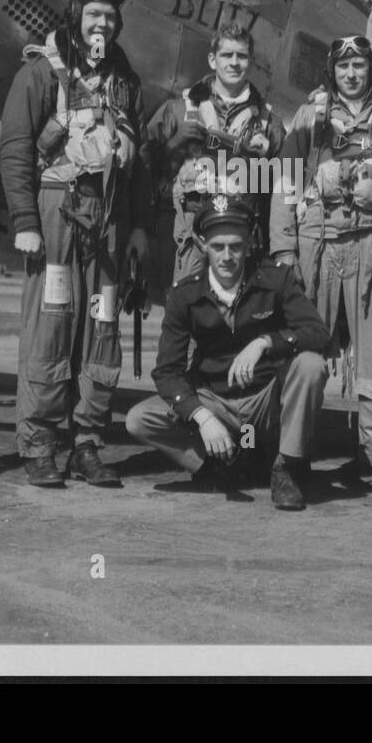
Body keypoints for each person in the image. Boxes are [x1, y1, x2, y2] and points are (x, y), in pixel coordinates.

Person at [0, 0, 151, 489]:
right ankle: (41, 443)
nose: (101, 25)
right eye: (93, 16)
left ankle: (87, 442)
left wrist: (138, 230)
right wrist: (25, 222)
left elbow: (140, 163)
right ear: (76, 18)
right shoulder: (42, 74)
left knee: (102, 327)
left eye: (109, 17)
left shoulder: (125, 82)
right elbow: (16, 147)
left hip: (109, 220)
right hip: (57, 213)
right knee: (52, 324)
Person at [269, 34, 372, 492]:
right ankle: (292, 460)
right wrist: (285, 249)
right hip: (319, 245)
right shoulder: (309, 119)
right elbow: (286, 183)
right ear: (333, 71)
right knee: (306, 350)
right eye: (344, 66)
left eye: (360, 66)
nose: (352, 74)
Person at [126, 195, 331, 511]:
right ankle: (214, 467)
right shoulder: (185, 295)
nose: (226, 256)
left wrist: (266, 342)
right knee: (140, 419)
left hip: (266, 400)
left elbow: (318, 334)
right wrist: (202, 416)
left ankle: (286, 467)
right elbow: (167, 372)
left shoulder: (276, 279)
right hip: (215, 398)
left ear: (249, 243)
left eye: (235, 246)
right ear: (202, 243)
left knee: (310, 365)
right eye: (217, 247)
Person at [146, 22, 285, 285]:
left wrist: (264, 164)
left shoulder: (269, 123)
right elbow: (144, 168)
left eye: (242, 56)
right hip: (188, 243)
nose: (234, 63)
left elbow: (289, 187)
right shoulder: (177, 110)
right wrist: (174, 144)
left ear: (250, 62)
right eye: (226, 55)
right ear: (213, 59)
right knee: (187, 317)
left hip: (242, 244)